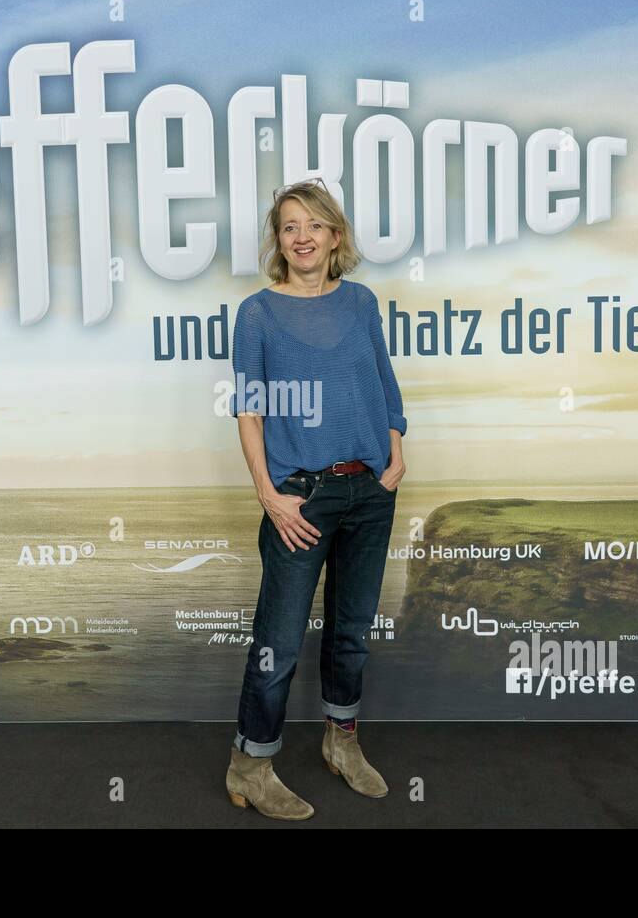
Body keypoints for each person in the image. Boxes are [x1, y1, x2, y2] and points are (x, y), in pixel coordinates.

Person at [224, 178, 407, 821]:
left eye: (313, 225)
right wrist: (270, 497)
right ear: (279, 241)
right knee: (278, 642)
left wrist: (396, 453)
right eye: (289, 226)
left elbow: (383, 382)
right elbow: (248, 410)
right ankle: (250, 766)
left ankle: (342, 740)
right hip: (299, 498)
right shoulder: (257, 313)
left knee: (351, 633)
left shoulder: (361, 303)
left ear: (336, 236)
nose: (301, 236)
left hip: (369, 490)